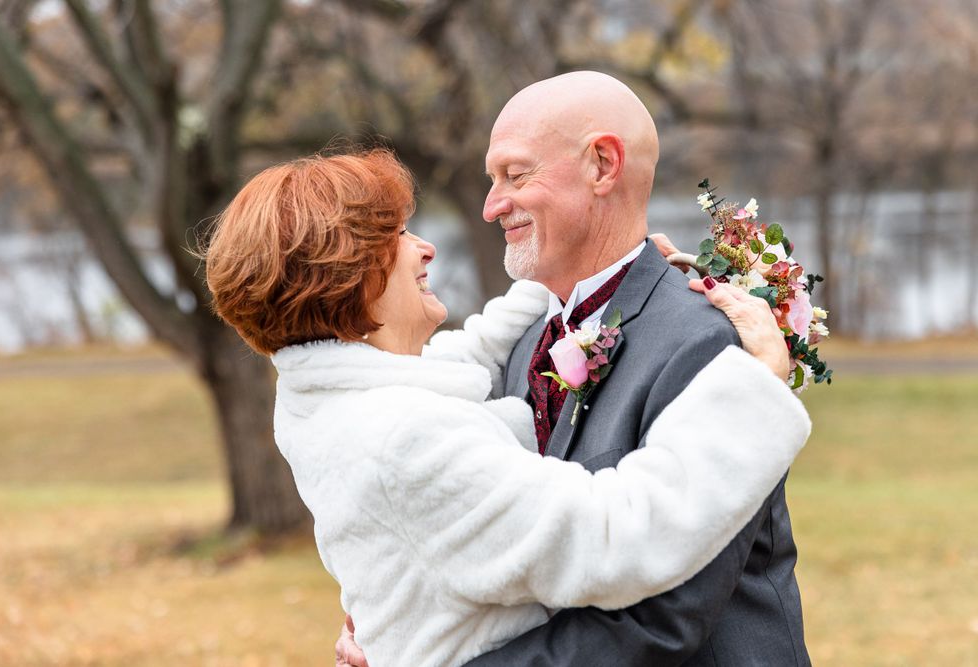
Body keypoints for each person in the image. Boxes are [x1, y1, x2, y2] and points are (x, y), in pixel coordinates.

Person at [203, 148, 809, 667]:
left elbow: (460, 361)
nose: (425, 248)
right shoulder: (402, 437)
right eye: (396, 237)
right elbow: (613, 533)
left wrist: (560, 276)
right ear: (346, 275)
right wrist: (757, 386)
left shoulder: (323, 399)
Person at [340, 71, 812, 666]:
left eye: (515, 175)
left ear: (602, 166)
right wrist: (388, 631)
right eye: (492, 181)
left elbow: (662, 620)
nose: (491, 206)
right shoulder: (524, 343)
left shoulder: (706, 345)